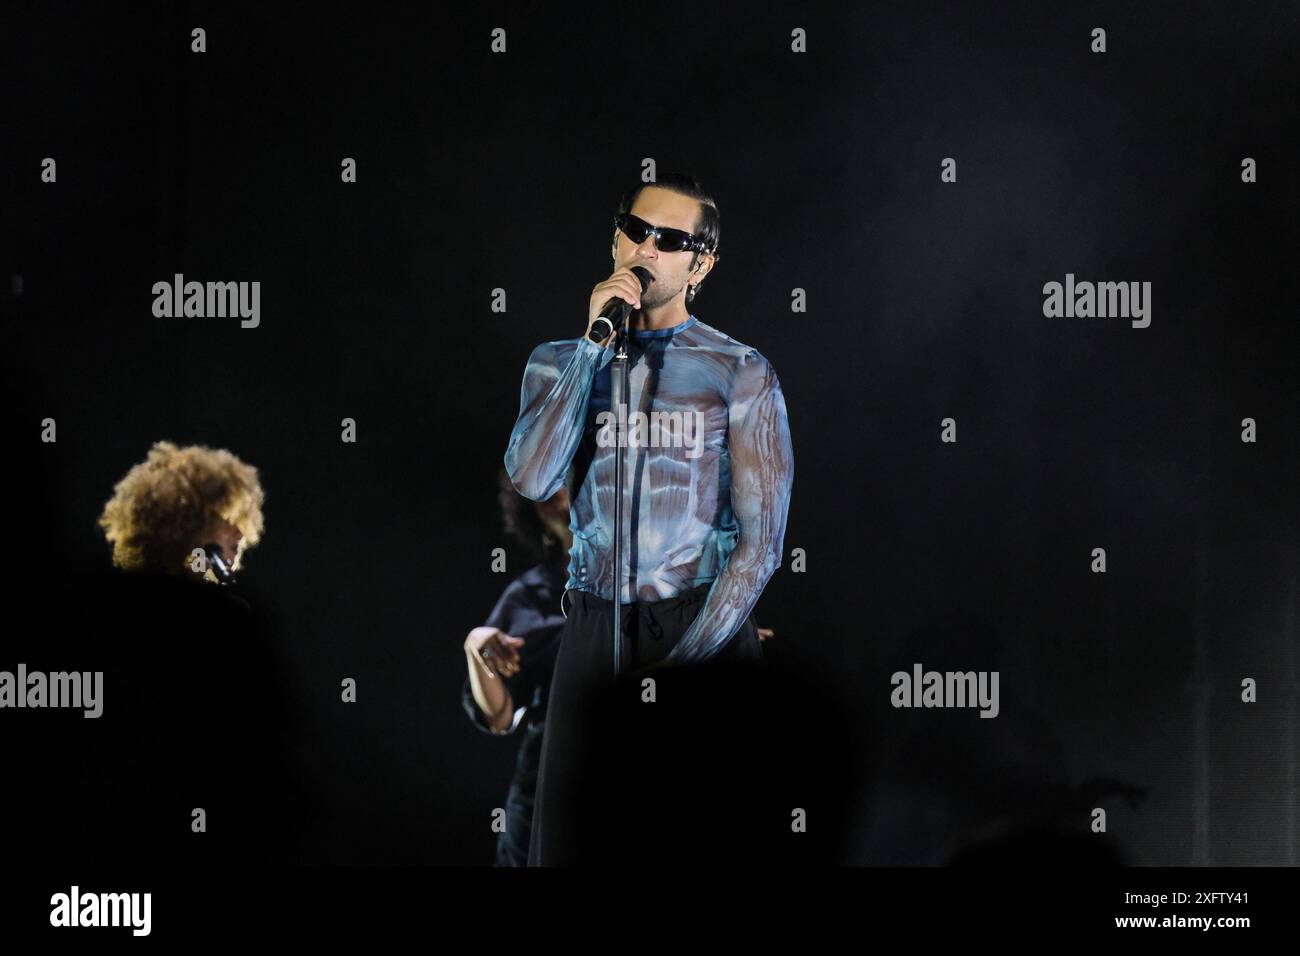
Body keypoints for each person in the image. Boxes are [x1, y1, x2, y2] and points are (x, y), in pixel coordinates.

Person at [503, 173, 795, 865]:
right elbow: (533, 475)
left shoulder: (739, 370)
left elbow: (762, 544)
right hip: (595, 624)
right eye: (635, 230)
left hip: (696, 623)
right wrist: (590, 350)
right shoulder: (558, 362)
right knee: (579, 840)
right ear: (615, 236)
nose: (646, 248)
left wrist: (685, 663)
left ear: (701, 264)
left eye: (670, 240)